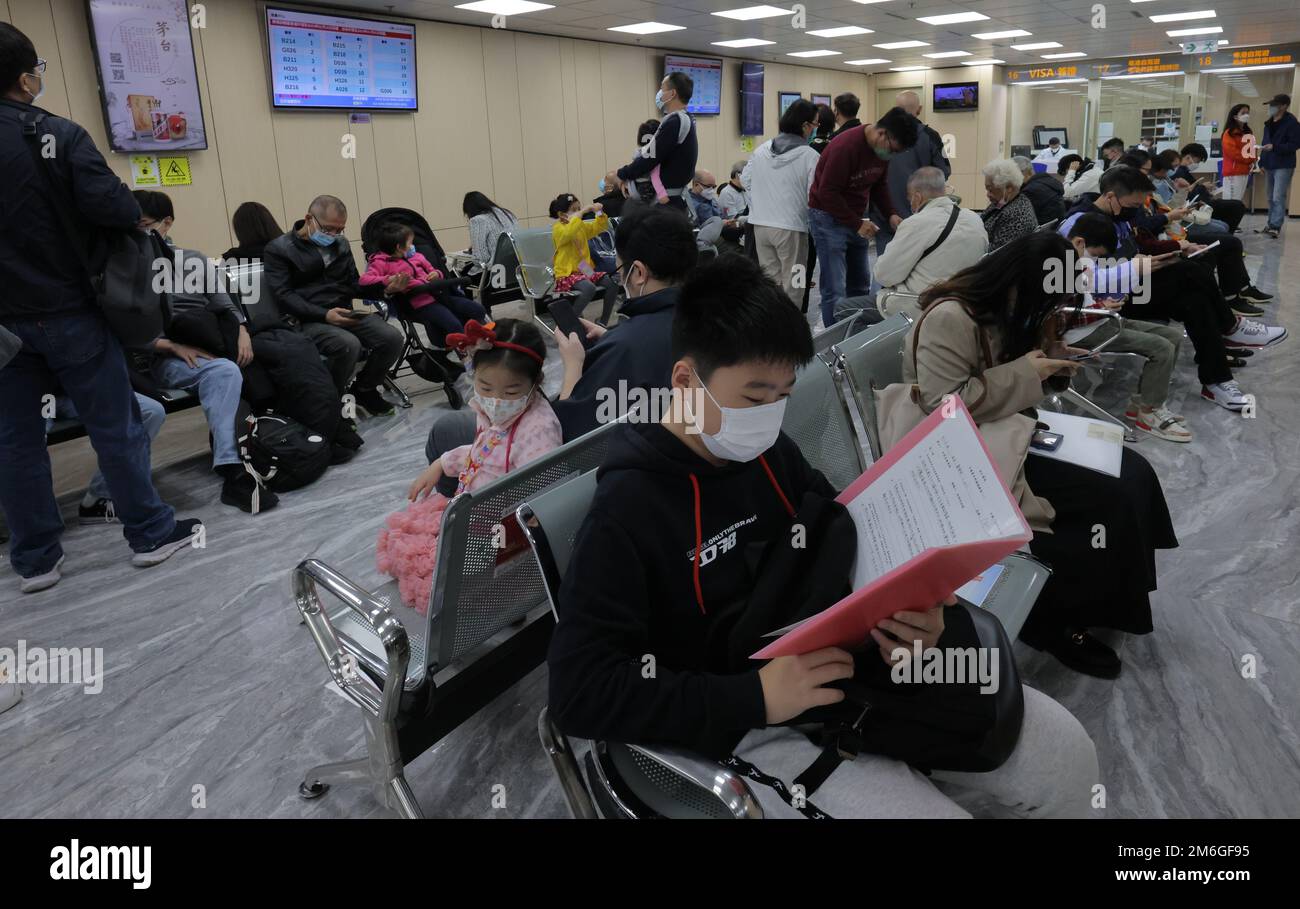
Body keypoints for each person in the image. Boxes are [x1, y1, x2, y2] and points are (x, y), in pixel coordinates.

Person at [546, 253, 1099, 818]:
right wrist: (755, 697)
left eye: (783, 396)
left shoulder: (765, 453)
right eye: (754, 398)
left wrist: (915, 608)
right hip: (742, 718)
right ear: (686, 379)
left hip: (845, 666)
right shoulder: (628, 510)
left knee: (1067, 757)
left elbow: (842, 533)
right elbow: (578, 694)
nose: (769, 416)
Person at [880, 232, 1178, 678]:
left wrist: (1054, 362)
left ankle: (1112, 594)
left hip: (1003, 430)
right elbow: (943, 406)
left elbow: (1019, 381)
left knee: (1129, 470)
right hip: (958, 452)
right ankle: (1052, 623)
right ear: (1017, 282)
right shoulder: (951, 316)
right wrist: (1027, 372)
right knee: (1101, 497)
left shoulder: (1012, 309)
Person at [0, 22, 202, 592]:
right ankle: (150, 534)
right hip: (69, 310)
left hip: (4, 327)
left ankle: (36, 560)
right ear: (25, 77)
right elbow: (116, 208)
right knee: (116, 426)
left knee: (16, 440)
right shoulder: (56, 135)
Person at [1060, 165, 1285, 411]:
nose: (1135, 212)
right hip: (1108, 302)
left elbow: (1131, 253)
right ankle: (1230, 328)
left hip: (1131, 285)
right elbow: (1077, 280)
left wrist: (1170, 254)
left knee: (1194, 298)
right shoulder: (1078, 225)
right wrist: (1138, 268)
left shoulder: (1117, 218)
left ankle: (1217, 381)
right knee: (1189, 273)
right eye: (1133, 206)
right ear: (1112, 197)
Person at [382, 319, 560, 610]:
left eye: (511, 392)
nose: (496, 400)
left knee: (431, 572)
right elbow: (486, 448)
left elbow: (538, 496)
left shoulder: (538, 432)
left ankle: (505, 599)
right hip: (476, 504)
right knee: (404, 541)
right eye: (485, 387)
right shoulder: (497, 412)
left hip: (501, 531)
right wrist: (442, 462)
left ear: (536, 382)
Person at [133, 190, 274, 513]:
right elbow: (124, 330)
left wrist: (241, 330)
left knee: (226, 369)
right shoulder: (128, 266)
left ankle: (229, 463)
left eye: (143, 224)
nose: (136, 232)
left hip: (203, 346)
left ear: (166, 223)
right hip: (158, 357)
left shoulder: (192, 261)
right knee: (226, 370)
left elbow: (224, 305)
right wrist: (169, 345)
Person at [551, 205, 698, 441]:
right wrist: (613, 337)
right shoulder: (716, 318)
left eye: (620, 270)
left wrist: (573, 366)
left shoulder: (624, 348)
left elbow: (572, 439)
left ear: (638, 272)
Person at [262, 194, 406, 416]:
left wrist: (385, 287)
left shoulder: (340, 244)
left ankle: (364, 389)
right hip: (306, 319)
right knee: (347, 344)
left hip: (342, 311)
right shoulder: (279, 249)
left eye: (340, 230)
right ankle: (331, 401)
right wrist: (325, 314)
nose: (334, 235)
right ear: (309, 219)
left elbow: (353, 284)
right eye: (329, 229)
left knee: (392, 338)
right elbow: (285, 296)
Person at [1064, 213, 1191, 443]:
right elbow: (1062, 315)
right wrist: (1102, 306)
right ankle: (1149, 413)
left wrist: (1104, 304)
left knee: (1172, 336)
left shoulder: (1078, 258)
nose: (1093, 260)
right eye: (1094, 254)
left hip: (1099, 318)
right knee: (1161, 348)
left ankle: (1142, 401)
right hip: (1086, 331)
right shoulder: (1063, 263)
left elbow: (1086, 293)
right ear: (1081, 242)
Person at [807, 106, 918, 327]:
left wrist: (891, 214)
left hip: (854, 217)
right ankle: (834, 345)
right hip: (827, 217)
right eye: (893, 150)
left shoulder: (881, 151)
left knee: (859, 285)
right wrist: (856, 223)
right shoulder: (845, 147)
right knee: (834, 288)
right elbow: (827, 193)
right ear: (882, 133)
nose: (892, 156)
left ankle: (855, 340)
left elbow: (879, 185)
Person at [873, 167, 987, 319]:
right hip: (965, 305)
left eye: (909, 199)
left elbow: (884, 275)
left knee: (846, 309)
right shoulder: (974, 219)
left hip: (920, 305)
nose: (910, 204)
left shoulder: (916, 223)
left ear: (917, 197)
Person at [742, 98, 821, 305]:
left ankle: (773, 325)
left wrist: (761, 200)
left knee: (771, 282)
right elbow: (814, 194)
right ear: (805, 125)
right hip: (791, 229)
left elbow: (745, 180)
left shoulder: (761, 150)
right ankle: (791, 329)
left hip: (760, 226)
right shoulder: (809, 155)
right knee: (795, 283)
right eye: (815, 125)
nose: (815, 129)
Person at [50, 393, 167, 523]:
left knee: (152, 412)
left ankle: (100, 497)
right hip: (33, 396)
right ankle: (37, 530)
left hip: (77, 389)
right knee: (29, 444)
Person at [361, 220, 486, 338]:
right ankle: (467, 355)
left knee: (477, 310)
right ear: (399, 247)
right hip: (421, 303)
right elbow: (364, 280)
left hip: (439, 294)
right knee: (454, 324)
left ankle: (480, 339)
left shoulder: (418, 257)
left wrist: (436, 274)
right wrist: (390, 279)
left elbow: (435, 270)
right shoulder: (381, 262)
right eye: (410, 243)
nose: (412, 245)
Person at [869, 90, 951, 257]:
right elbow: (944, 172)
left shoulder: (879, 136)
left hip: (883, 214)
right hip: (919, 214)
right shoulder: (931, 136)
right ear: (919, 109)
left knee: (884, 263)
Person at [611, 72, 698, 212]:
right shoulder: (685, 119)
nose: (659, 93)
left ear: (672, 93)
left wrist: (622, 173)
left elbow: (650, 158)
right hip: (673, 200)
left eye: (662, 89)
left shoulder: (675, 121)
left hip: (666, 204)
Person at [547, 193, 619, 327]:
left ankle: (603, 321)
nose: (579, 212)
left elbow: (599, 228)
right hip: (567, 273)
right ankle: (568, 323)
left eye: (579, 208)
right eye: (574, 210)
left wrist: (599, 213)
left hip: (584, 269)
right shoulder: (558, 228)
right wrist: (582, 213)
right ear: (562, 214)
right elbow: (568, 233)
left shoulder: (579, 225)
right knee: (589, 288)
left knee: (612, 283)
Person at [1172, 144, 1245, 233]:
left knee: (1236, 205)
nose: (1197, 164)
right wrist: (1203, 187)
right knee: (1237, 206)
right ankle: (1225, 235)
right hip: (1197, 206)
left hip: (1202, 202)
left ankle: (1225, 234)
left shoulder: (1185, 172)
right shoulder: (1180, 173)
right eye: (1197, 161)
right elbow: (1188, 195)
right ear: (1188, 157)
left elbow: (1192, 189)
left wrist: (1204, 188)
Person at [1259, 93, 1300, 239]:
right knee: (1270, 196)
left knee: (1278, 196)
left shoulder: (1291, 122)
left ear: (1284, 106)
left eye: (1274, 105)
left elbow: (1295, 144)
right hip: (1269, 163)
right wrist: (1261, 162)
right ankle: (1270, 224)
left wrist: (1275, 147)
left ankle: (1275, 226)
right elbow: (1264, 143)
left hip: (1284, 165)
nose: (1270, 107)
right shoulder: (1269, 122)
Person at [980, 158, 1038, 250]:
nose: (988, 194)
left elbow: (997, 252)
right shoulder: (1008, 201)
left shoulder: (1016, 216)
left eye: (990, 190)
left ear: (1009, 188)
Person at [463, 191, 520, 268]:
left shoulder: (477, 220)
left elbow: (481, 259)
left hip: (495, 271)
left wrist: (473, 253)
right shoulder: (506, 213)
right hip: (517, 267)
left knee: (456, 273)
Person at [1015, 155, 1066, 224]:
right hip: (1054, 226)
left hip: (1042, 228)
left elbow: (1020, 216)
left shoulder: (1031, 190)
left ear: (1028, 172)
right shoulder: (1046, 180)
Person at [1221, 103, 1254, 202]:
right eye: (1243, 113)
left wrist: (1253, 161)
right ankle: (1227, 218)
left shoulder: (1248, 132)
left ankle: (1234, 217)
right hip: (1233, 172)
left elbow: (1252, 150)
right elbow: (1233, 152)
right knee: (1231, 201)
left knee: (1238, 200)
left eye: (1248, 113)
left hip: (1245, 170)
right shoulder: (1229, 133)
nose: (1246, 115)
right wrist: (1249, 160)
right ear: (1235, 116)